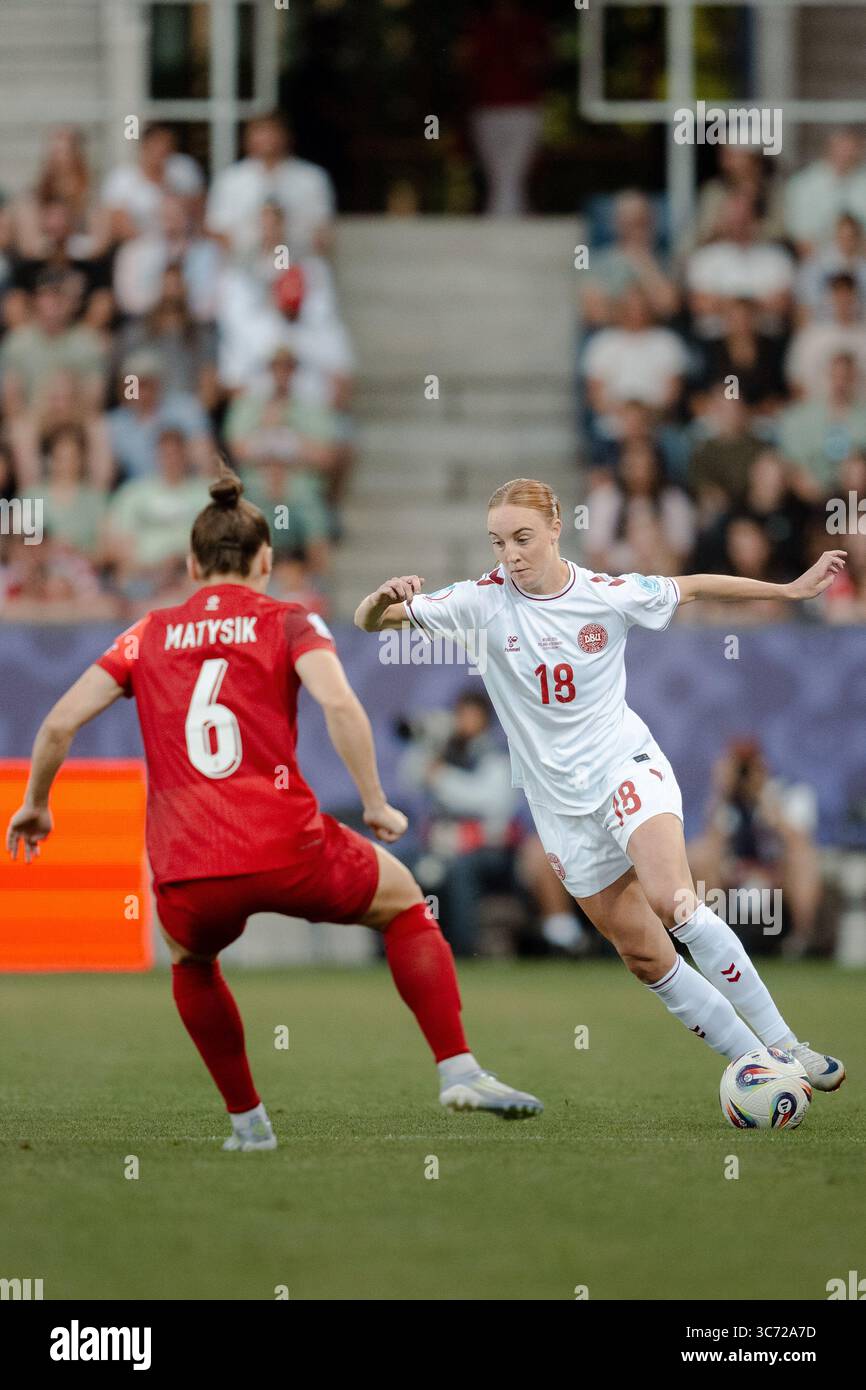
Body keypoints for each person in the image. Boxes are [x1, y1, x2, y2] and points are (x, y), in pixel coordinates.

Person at [6, 465, 541, 1150]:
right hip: (285, 844)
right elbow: (340, 702)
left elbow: (56, 725)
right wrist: (376, 802)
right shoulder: (288, 619)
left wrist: (35, 805)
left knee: (192, 964)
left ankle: (249, 1125)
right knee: (405, 904)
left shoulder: (145, 633)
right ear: (265, 560)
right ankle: (457, 1069)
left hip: (188, 865)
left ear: (194, 564)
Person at [354, 477, 847, 1095]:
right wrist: (380, 599)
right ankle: (760, 1067)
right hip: (557, 806)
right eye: (498, 541)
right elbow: (370, 622)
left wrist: (789, 588)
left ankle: (787, 1045)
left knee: (674, 899)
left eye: (523, 538)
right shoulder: (479, 602)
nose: (510, 554)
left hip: (623, 766)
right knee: (644, 956)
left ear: (557, 528)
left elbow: (692, 587)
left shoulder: (607, 594)